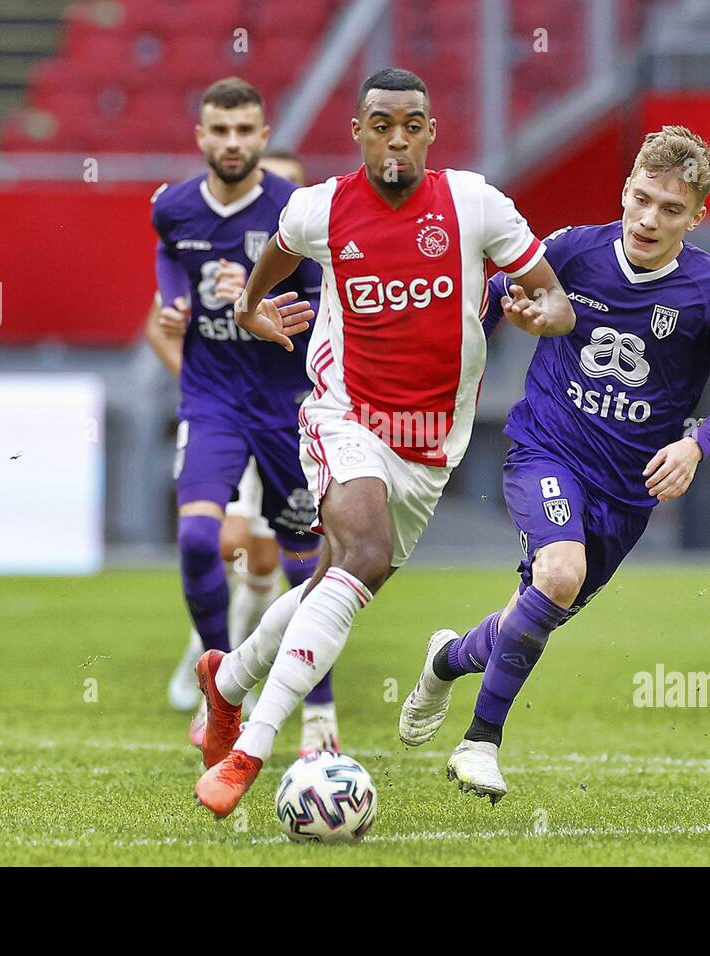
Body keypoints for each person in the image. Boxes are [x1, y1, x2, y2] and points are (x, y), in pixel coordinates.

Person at [191, 67, 576, 819]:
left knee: (330, 587)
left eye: (412, 124)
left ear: (430, 132)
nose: (396, 138)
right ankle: (248, 752)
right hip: (344, 415)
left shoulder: (475, 205)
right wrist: (250, 309)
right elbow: (274, 251)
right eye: (381, 124)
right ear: (359, 132)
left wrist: (543, 317)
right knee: (360, 554)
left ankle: (227, 683)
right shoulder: (321, 209)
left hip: (430, 448)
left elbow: (555, 300)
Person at [398, 126, 710, 802]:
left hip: (627, 493)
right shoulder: (570, 249)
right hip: (547, 447)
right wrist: (504, 319)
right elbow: (496, 302)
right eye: (642, 199)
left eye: (671, 209)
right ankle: (480, 743)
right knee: (561, 572)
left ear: (697, 215)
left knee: (531, 613)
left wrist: (693, 445)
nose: (650, 219)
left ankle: (445, 660)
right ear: (625, 190)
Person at [149, 77, 339, 757]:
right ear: (202, 137)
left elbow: (329, 308)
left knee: (301, 564)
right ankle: (220, 683)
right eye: (219, 131)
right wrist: (174, 304)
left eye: (244, 130)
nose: (232, 143)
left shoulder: (297, 209)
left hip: (288, 405)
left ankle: (319, 711)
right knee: (201, 540)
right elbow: (170, 260)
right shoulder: (173, 207)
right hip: (213, 400)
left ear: (264, 136)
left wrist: (258, 305)